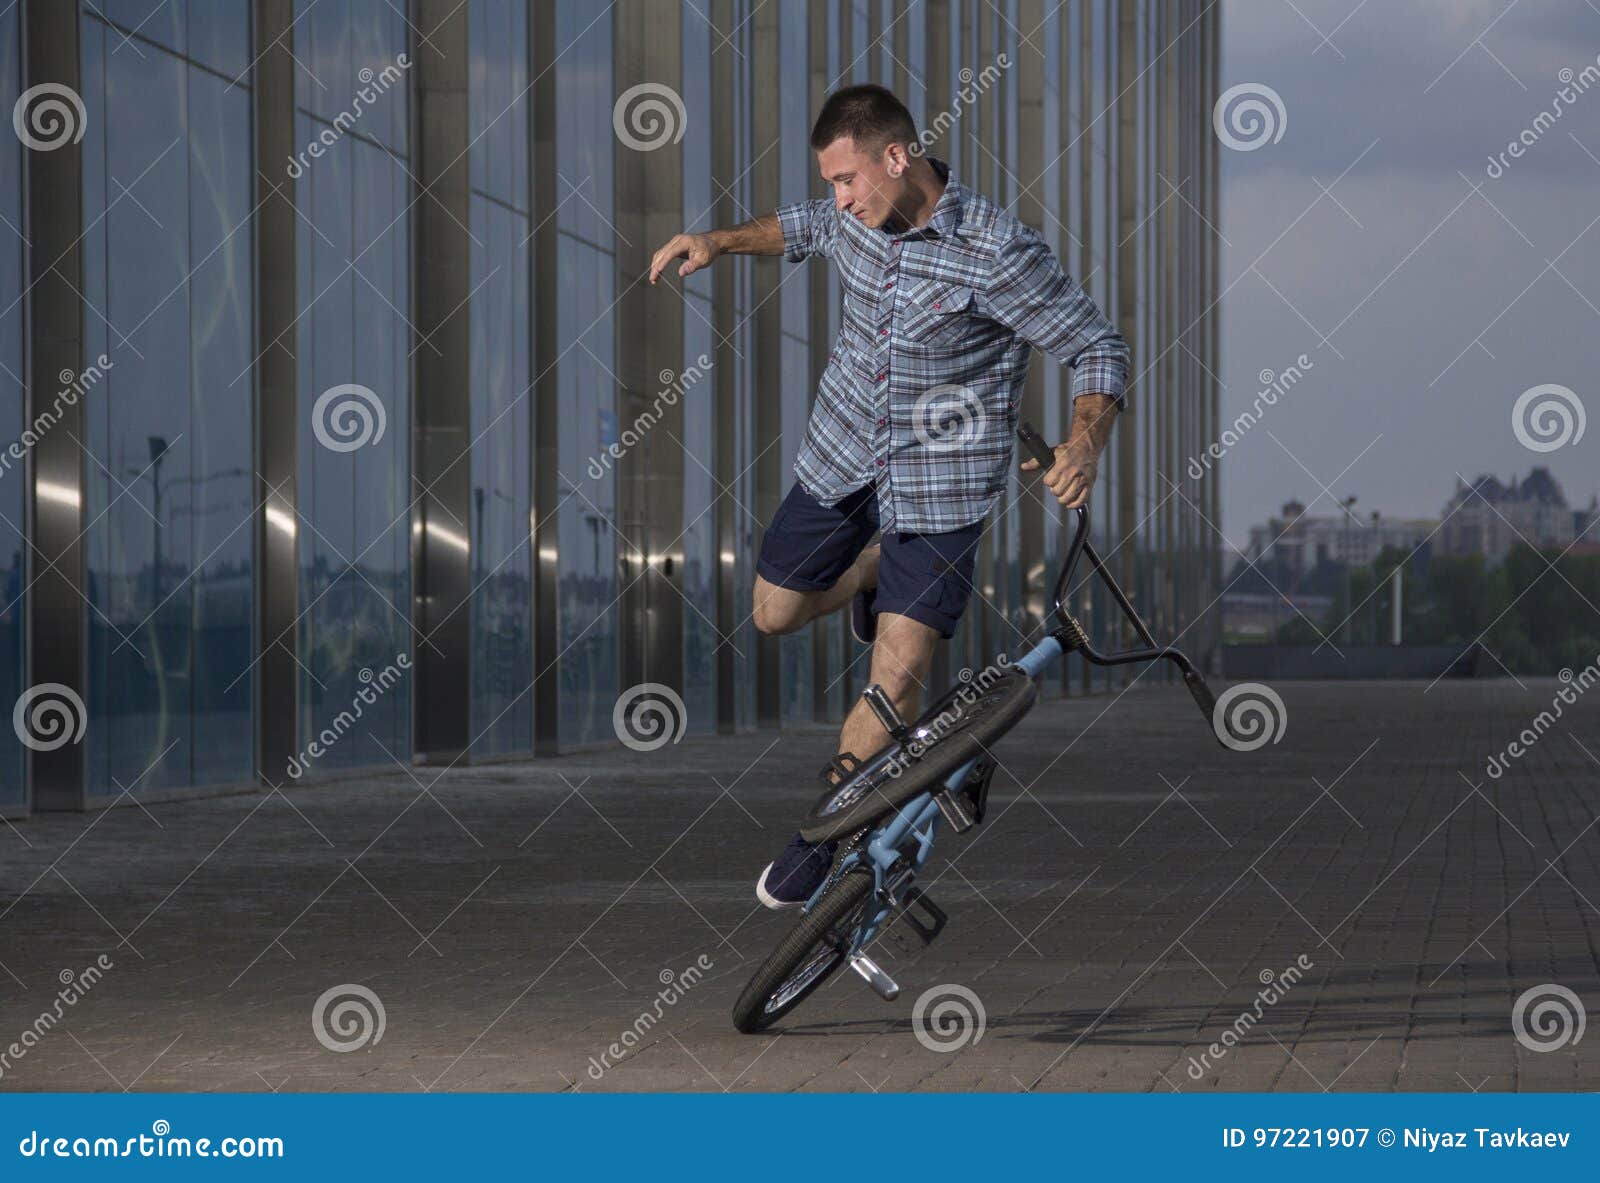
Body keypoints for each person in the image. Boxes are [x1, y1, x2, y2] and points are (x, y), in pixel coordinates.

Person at [648, 84, 1127, 908]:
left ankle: (820, 836)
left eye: (846, 180)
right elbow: (801, 227)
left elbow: (1097, 345)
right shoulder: (854, 214)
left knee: (895, 679)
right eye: (830, 182)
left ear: (896, 158)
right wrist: (717, 240)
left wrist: (1084, 442)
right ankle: (866, 572)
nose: (838, 199)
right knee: (774, 612)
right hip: (843, 458)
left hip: (940, 491)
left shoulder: (998, 252)